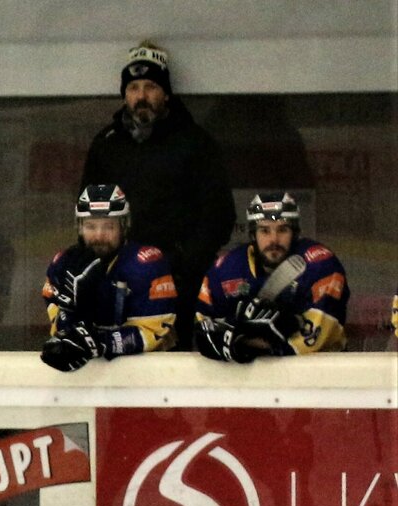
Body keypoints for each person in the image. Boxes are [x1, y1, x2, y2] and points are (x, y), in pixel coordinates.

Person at [79, 42, 234, 346]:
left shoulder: (195, 143)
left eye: (150, 87)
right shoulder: (106, 144)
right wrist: (97, 267)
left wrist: (183, 265)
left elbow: (219, 216)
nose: (142, 96)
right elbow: (87, 212)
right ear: (124, 94)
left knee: (178, 364)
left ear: (166, 93)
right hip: (118, 281)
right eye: (134, 87)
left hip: (180, 283)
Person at [195, 192, 352, 361]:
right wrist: (239, 338)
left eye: (282, 230)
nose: (274, 240)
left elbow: (321, 335)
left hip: (319, 372)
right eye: (265, 231)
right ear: (253, 235)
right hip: (243, 375)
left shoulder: (320, 264)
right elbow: (204, 327)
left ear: (295, 233)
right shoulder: (224, 270)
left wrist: (251, 344)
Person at [38, 183, 178, 372]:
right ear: (79, 228)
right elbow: (61, 330)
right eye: (91, 226)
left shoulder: (148, 263)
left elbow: (153, 331)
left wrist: (100, 342)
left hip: (149, 373)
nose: (99, 235)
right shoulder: (62, 265)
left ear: (123, 226)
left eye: (108, 226)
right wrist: (70, 315)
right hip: (86, 371)